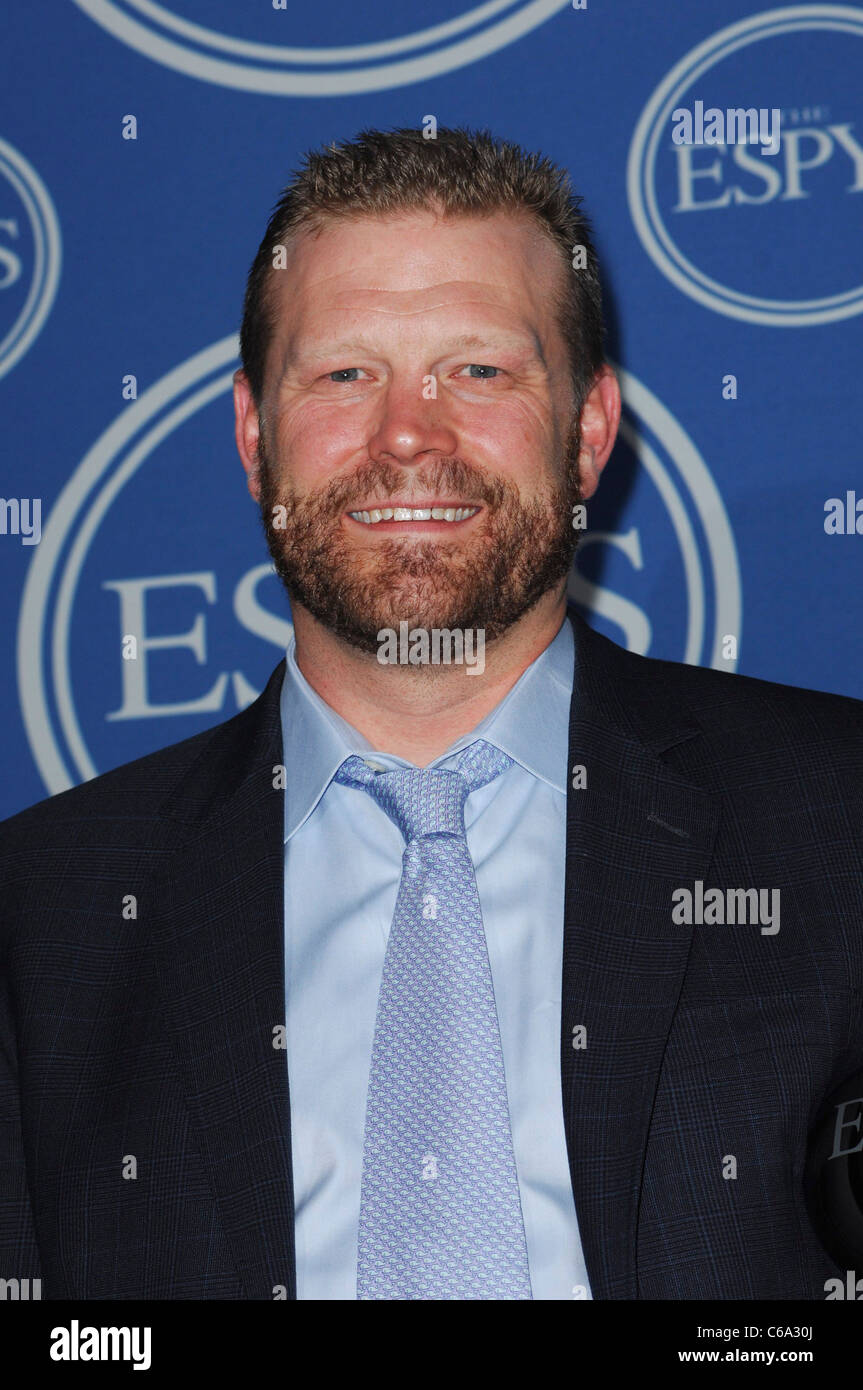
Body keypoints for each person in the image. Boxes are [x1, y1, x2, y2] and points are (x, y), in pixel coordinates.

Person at [1, 126, 861, 1301]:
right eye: (346, 372)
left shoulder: (837, 820)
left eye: (480, 371)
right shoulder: (40, 911)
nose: (409, 434)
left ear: (590, 434)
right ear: (255, 437)